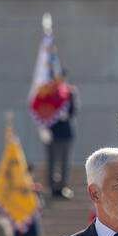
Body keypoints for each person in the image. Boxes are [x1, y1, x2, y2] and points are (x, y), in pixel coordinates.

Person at [45, 69, 78, 198]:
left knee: (64, 161)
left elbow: (73, 110)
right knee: (52, 161)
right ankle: (52, 187)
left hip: (66, 131)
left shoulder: (69, 92)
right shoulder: (48, 92)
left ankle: (63, 186)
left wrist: (65, 113)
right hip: (52, 131)